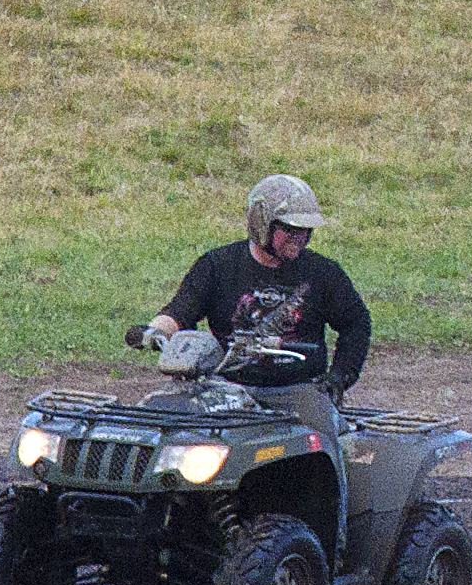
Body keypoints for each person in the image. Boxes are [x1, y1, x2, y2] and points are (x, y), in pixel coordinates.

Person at [146, 174, 371, 421]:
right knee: (167, 417)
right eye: (291, 229)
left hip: (297, 389)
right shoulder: (218, 266)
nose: (301, 237)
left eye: (306, 230)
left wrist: (339, 376)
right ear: (262, 224)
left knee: (321, 433)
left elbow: (356, 323)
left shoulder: (323, 272)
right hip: (225, 387)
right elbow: (178, 313)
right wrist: (153, 332)